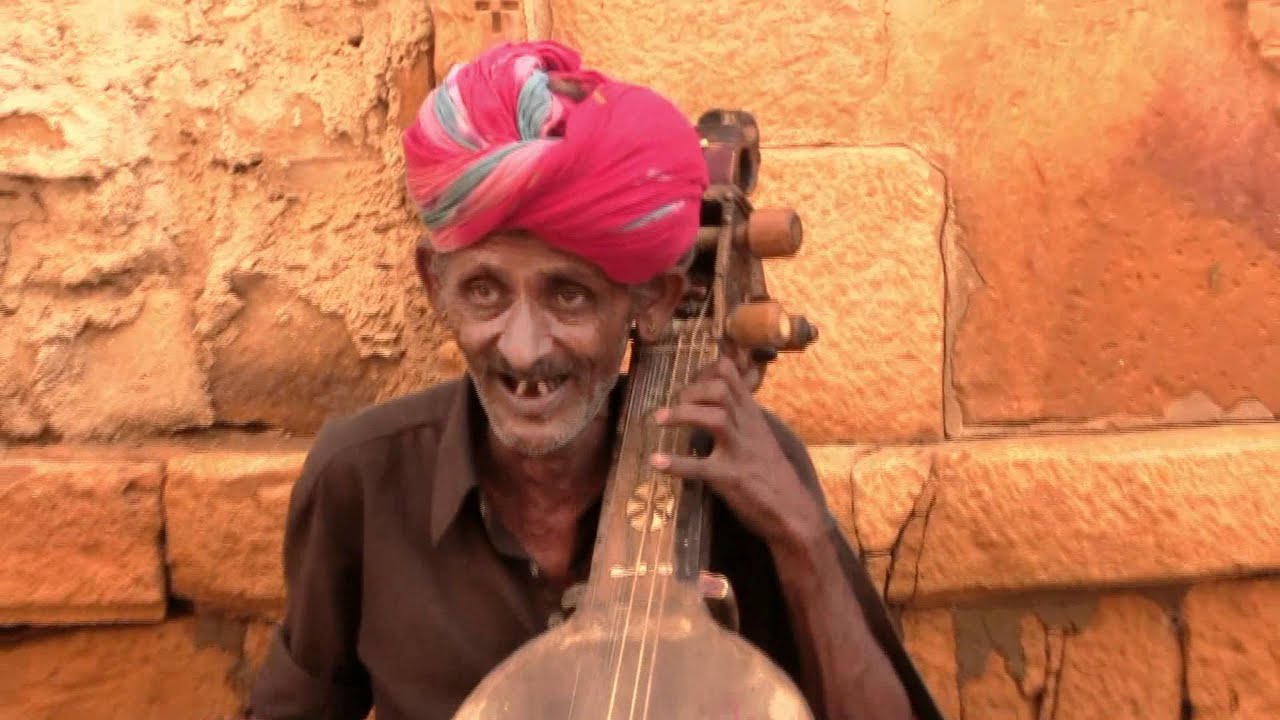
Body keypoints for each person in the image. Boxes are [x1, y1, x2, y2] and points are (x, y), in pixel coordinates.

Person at [248, 41, 944, 720]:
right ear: (436, 283)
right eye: (485, 291)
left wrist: (803, 541)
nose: (522, 351)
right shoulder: (362, 479)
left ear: (653, 302)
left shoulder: (748, 468)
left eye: (569, 296)